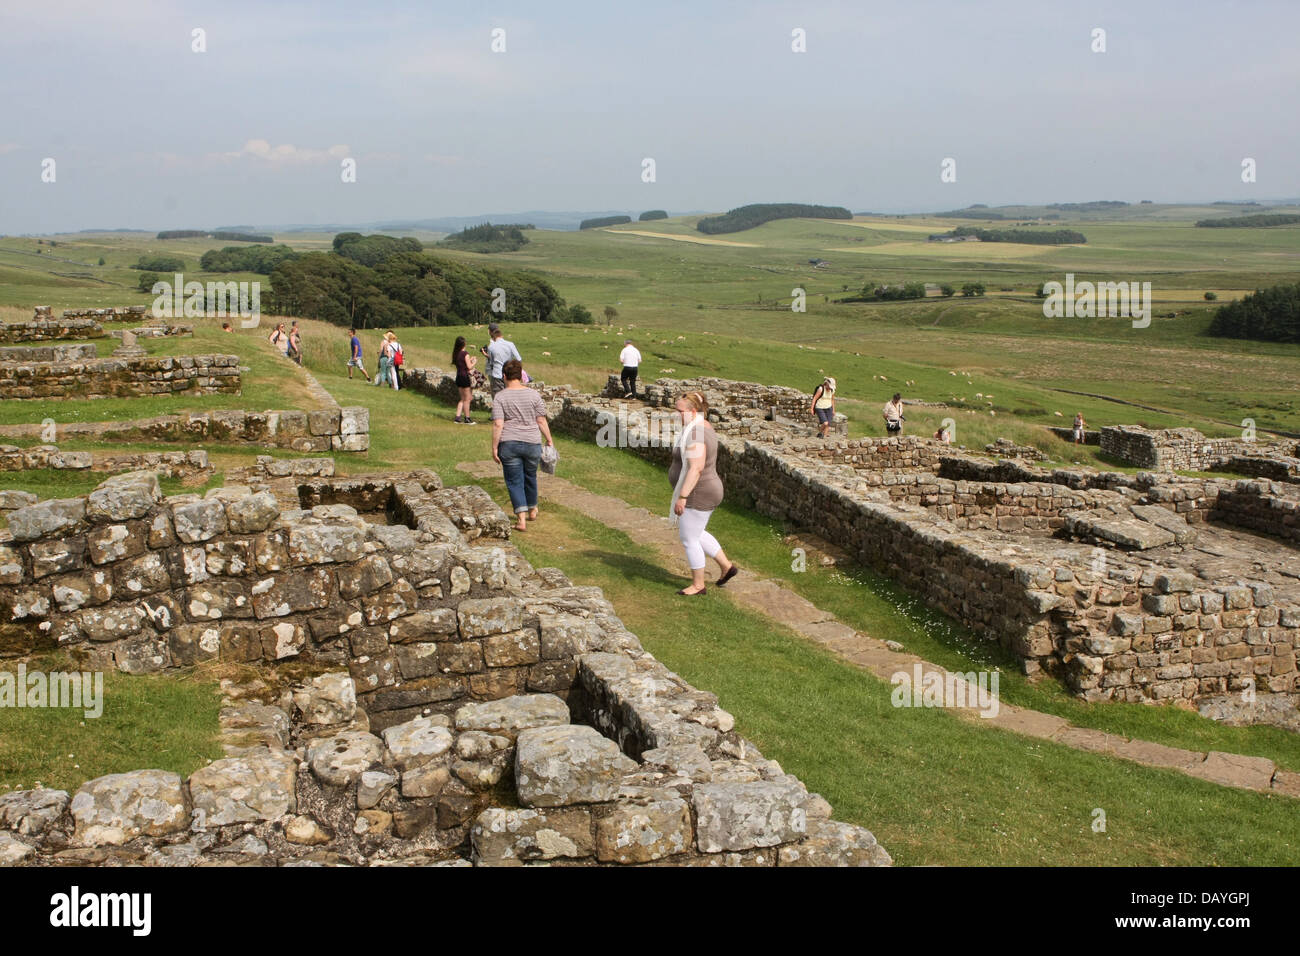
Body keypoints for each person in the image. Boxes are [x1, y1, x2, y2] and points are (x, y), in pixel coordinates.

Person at [668, 391, 738, 596]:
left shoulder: (696, 432)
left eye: (679, 411)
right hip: (706, 488)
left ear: (692, 411)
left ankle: (698, 585)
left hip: (699, 492)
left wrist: (683, 496)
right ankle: (727, 567)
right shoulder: (702, 425)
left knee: (689, 538)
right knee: (696, 533)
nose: (676, 414)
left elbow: (696, 467)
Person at [491, 359, 553, 532]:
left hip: (509, 443)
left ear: (504, 376)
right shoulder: (533, 395)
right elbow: (541, 419)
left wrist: (495, 447)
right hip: (533, 442)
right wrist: (549, 439)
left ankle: (521, 520)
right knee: (530, 476)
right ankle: (533, 509)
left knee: (514, 481)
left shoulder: (500, 397)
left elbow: (498, 424)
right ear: (521, 376)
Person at [483, 323, 521, 396]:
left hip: (497, 374)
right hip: (509, 374)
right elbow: (518, 359)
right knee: (509, 395)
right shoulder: (510, 344)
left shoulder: (491, 346)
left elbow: (491, 363)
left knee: (498, 397)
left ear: (494, 337)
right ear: (501, 336)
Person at [452, 335, 478, 424]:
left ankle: (457, 417)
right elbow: (469, 367)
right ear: (464, 344)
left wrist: (469, 360)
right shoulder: (465, 353)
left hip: (458, 377)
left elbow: (461, 364)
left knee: (463, 398)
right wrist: (474, 362)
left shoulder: (456, 354)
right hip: (464, 377)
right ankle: (467, 418)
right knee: (467, 399)